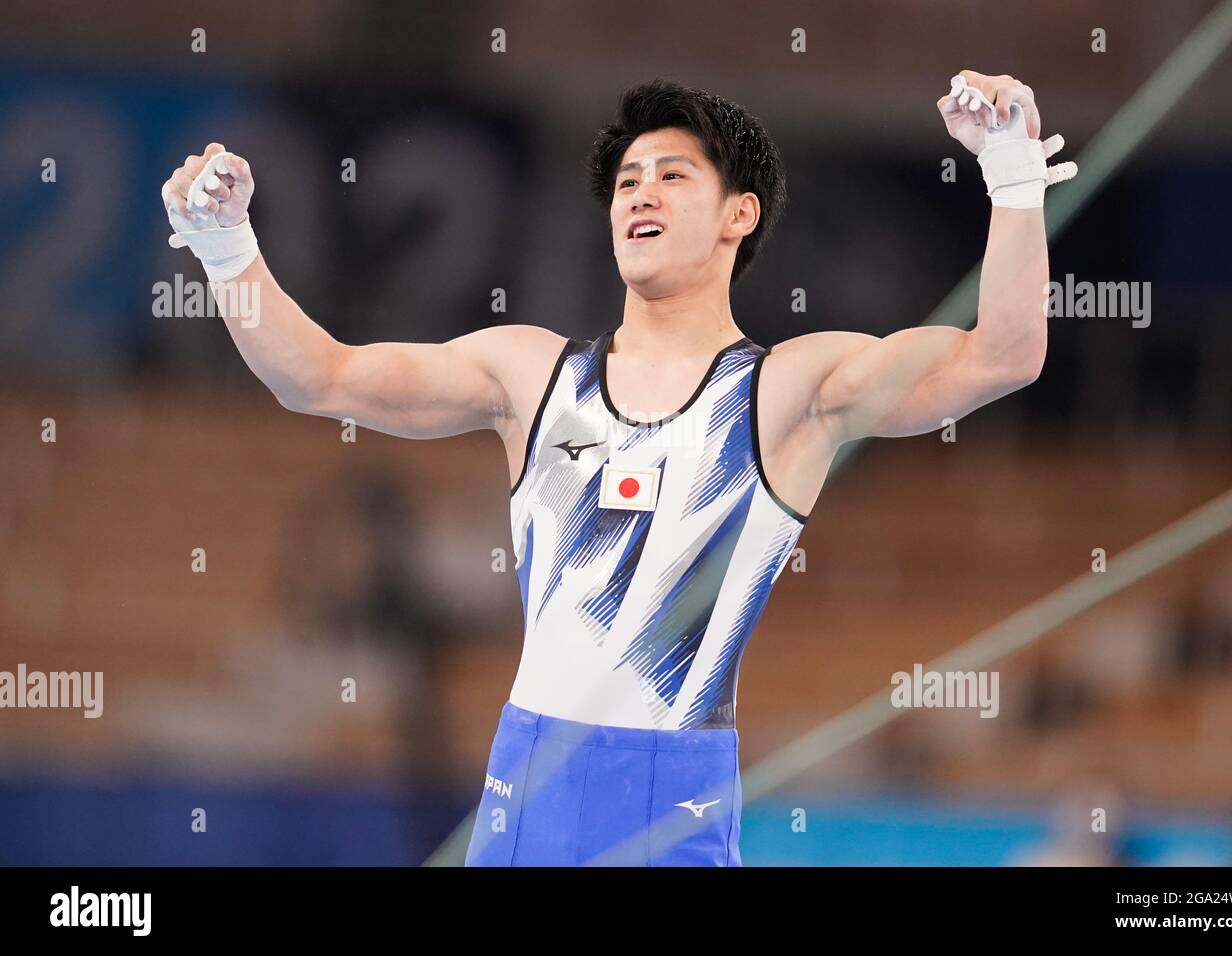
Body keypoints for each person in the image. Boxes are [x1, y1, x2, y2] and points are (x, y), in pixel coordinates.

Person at [161, 73, 1074, 866]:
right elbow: (319, 377)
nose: (641, 193)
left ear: (737, 216)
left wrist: (1012, 176)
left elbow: (1003, 356)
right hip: (527, 784)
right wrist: (228, 248)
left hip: (669, 797)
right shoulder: (529, 375)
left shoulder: (789, 390)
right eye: (627, 180)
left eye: (673, 176)